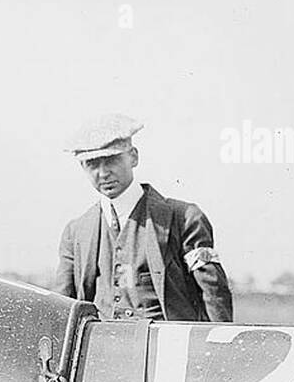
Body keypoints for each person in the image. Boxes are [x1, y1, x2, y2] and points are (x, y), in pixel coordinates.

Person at [54, 114, 233, 322]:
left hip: (166, 346)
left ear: (133, 157)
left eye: (111, 159)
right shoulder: (76, 232)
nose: (103, 173)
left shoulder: (184, 218)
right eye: (92, 164)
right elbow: (62, 305)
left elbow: (214, 295)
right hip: (101, 348)